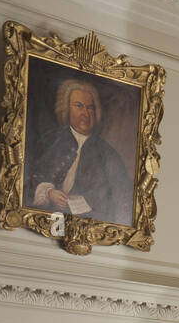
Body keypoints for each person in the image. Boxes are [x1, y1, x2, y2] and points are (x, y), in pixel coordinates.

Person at [24, 77, 133, 225]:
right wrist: (49, 193)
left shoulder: (108, 153)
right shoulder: (51, 141)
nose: (85, 113)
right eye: (79, 106)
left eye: (90, 107)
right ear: (66, 109)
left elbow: (122, 201)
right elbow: (28, 182)